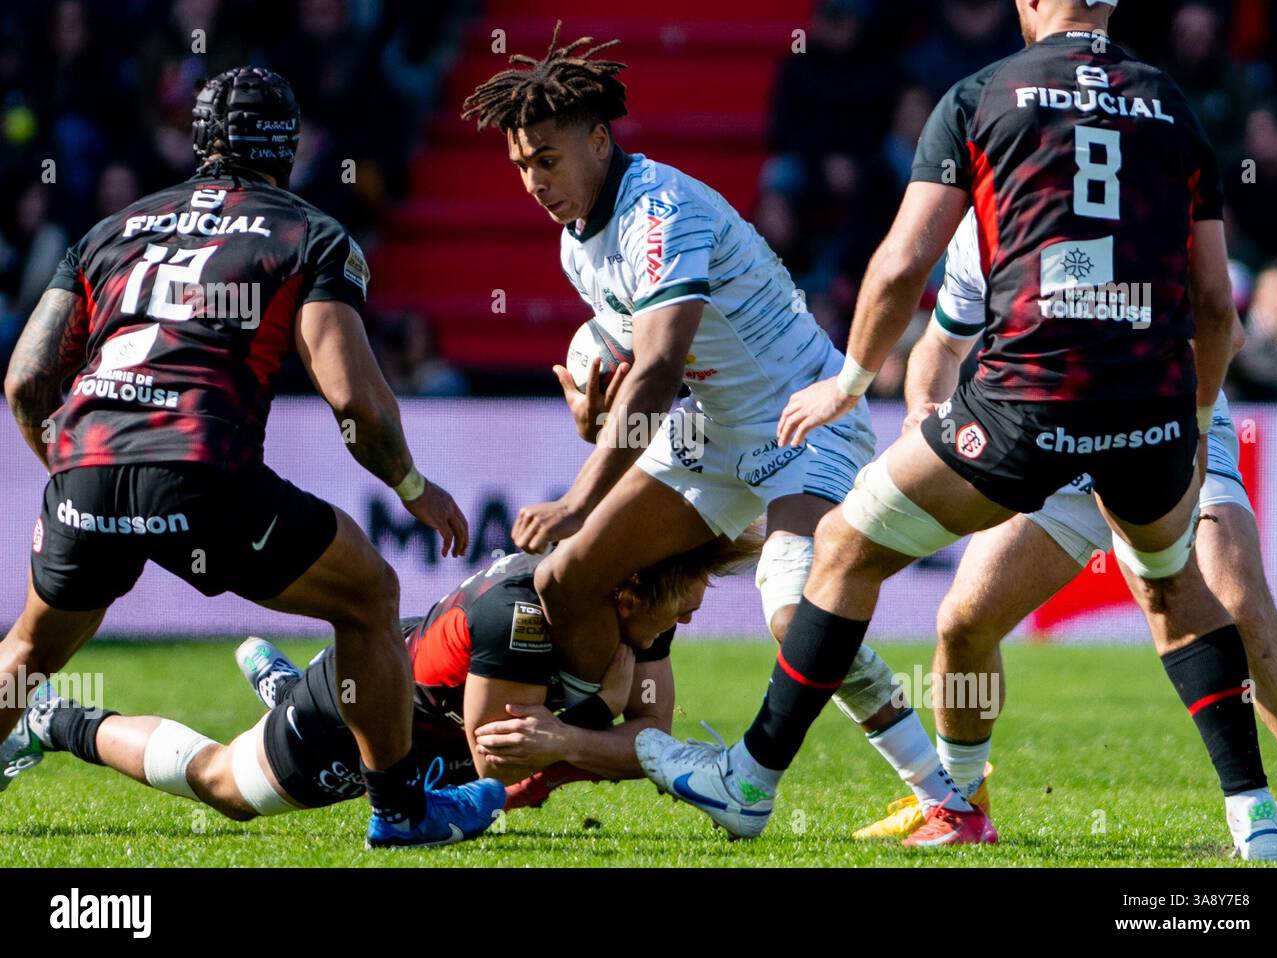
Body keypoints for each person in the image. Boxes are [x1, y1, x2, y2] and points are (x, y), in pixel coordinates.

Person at [636, 0, 1277, 860]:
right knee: (975, 622)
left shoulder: (984, 106)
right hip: (1155, 405)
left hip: (1038, 404)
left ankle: (752, 779)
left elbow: (901, 265)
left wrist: (848, 385)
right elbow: (1212, 308)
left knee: (843, 549)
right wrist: (1192, 421)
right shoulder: (1169, 104)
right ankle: (996, 805)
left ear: (1026, 4)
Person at [461, 23, 981, 823]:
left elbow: (662, 367)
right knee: (566, 581)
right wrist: (592, 413)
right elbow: (640, 378)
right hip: (709, 430)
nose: (534, 181)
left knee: (794, 612)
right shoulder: (577, 243)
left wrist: (579, 495)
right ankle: (593, 745)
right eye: (521, 165)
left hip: (801, 417)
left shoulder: (660, 212)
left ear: (600, 141)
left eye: (548, 159)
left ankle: (944, 797)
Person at [0, 66, 494, 849]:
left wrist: (68, 473)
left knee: (27, 650)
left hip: (87, 465)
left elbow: (26, 380)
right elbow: (357, 404)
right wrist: (413, 486)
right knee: (369, 594)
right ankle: (403, 811)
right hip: (199, 472)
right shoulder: (308, 233)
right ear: (290, 146)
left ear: (198, 141)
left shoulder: (112, 229)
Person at [856, 208, 1277, 848]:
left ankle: (1259, 809)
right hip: (1053, 437)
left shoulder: (1137, 184)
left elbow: (1218, 326)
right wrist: (920, 413)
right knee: (964, 622)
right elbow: (942, 341)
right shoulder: (985, 219)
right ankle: (957, 806)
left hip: (1163, 423)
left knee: (1239, 605)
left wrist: (1196, 424)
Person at [0, 538, 752, 826]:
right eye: (691, 589)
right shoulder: (522, 613)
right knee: (224, 788)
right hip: (378, 714)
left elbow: (648, 738)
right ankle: (54, 719)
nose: (697, 604)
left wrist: (574, 745)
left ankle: (282, 688)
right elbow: (497, 757)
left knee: (613, 693)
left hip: (433, 719)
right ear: (628, 593)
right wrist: (575, 744)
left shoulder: (641, 608)